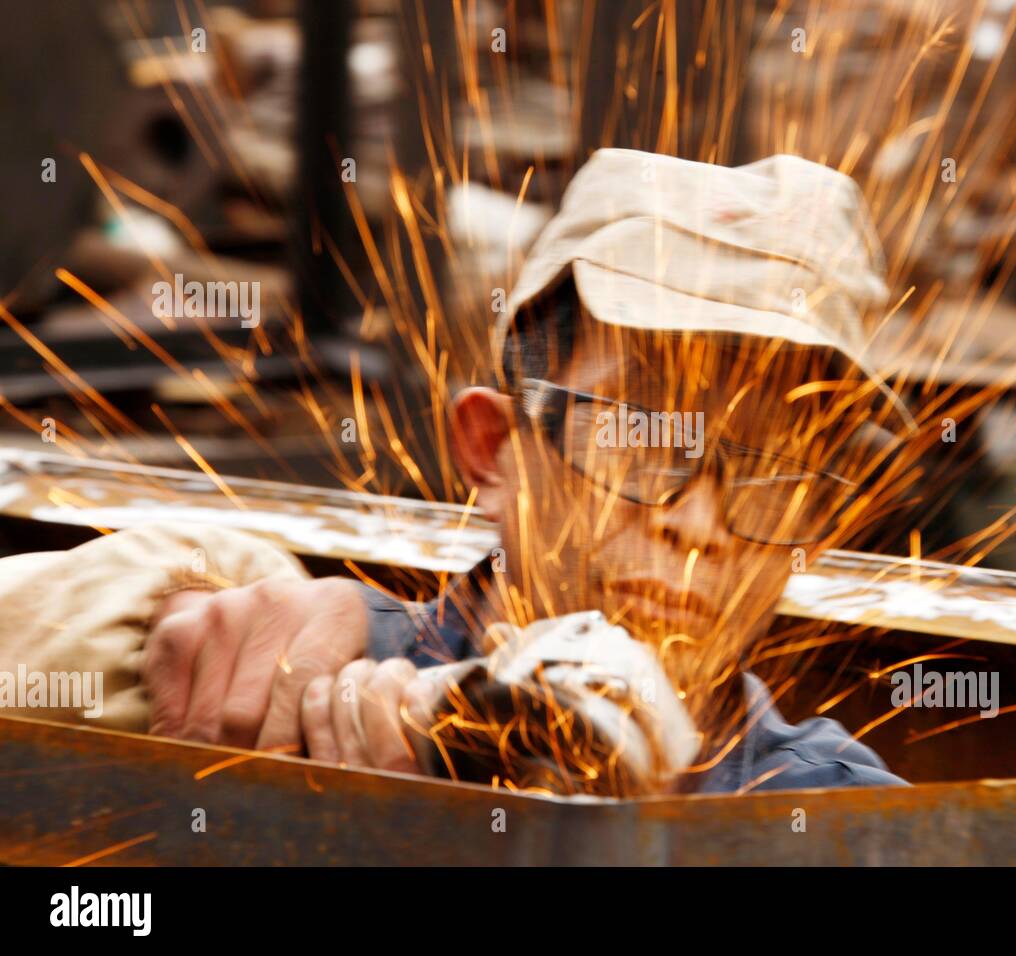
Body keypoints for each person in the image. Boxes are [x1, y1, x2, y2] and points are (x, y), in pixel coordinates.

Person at [33, 149, 927, 793]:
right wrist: (158, 596)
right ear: (494, 449)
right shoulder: (298, 671)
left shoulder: (826, 817)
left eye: (775, 473)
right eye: (644, 436)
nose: (696, 527)